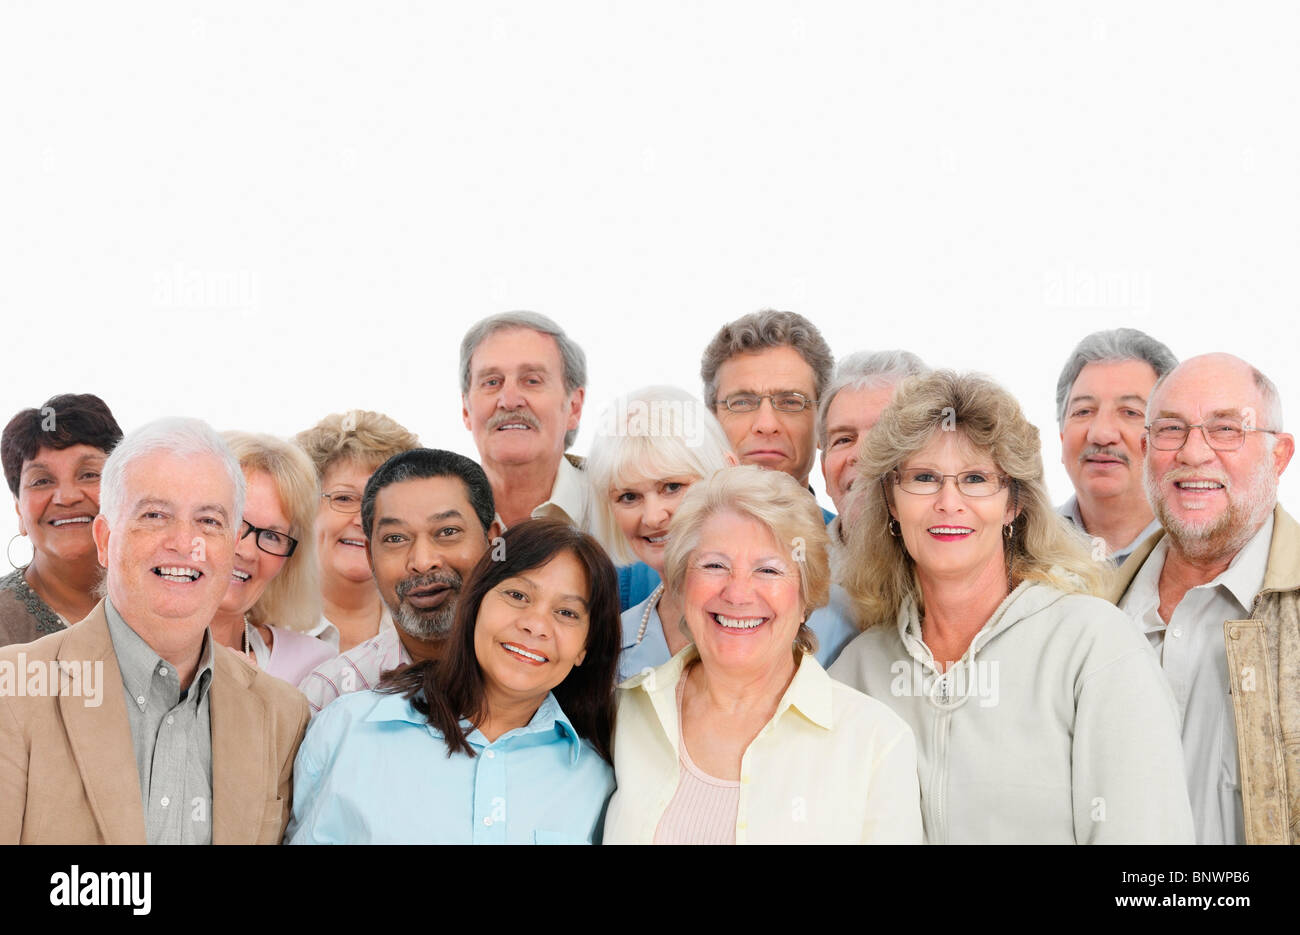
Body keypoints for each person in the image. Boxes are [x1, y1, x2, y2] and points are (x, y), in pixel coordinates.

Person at [829, 371, 1194, 844]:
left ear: (1013, 504)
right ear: (892, 503)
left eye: (976, 479)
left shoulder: (1095, 645)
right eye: (923, 478)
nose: (948, 503)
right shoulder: (857, 672)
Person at [0, 418, 308, 844]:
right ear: (105, 540)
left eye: (209, 521)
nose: (184, 543)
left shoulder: (283, 716)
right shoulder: (12, 690)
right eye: (155, 515)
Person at [603, 465, 922, 844]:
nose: (738, 594)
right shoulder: (624, 712)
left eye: (768, 570)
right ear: (681, 585)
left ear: (806, 597)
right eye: (715, 565)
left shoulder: (876, 742)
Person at [287, 519, 619, 844]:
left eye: (567, 613)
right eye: (517, 595)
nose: (536, 625)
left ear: (585, 648)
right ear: (475, 605)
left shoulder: (598, 779)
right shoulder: (348, 729)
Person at [1107, 353, 1299, 844]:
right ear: (1147, 450)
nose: (1194, 453)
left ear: (1279, 455)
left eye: (1226, 429)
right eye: (1171, 430)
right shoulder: (1090, 611)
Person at [588, 386, 856, 682]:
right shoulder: (605, 648)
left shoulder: (838, 623)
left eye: (672, 487)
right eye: (628, 497)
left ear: (726, 471)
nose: (652, 517)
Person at [300, 448, 495, 714]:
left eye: (447, 531)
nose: (423, 561)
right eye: (395, 538)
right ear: (370, 557)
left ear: (493, 541)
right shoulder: (329, 695)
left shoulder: (542, 665)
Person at [208, 432, 333, 687]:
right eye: (234, 523)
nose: (247, 551)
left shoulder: (313, 668)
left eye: (271, 536)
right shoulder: (114, 651)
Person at [1, 393, 123, 646]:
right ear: (19, 511)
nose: (66, 498)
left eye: (89, 474)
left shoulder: (170, 597)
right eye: (42, 481)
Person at [295, 409, 419, 652]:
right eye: (344, 498)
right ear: (308, 506)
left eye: (382, 503)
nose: (363, 520)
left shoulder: (432, 635)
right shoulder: (256, 628)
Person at [1055, 328, 1178, 564]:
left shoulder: (1203, 552)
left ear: (1171, 435)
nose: (1101, 434)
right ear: (1062, 437)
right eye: (1083, 411)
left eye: (1130, 412)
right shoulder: (1014, 545)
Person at [699, 309, 835, 520]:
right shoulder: (664, 549)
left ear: (824, 425)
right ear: (712, 422)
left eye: (791, 402)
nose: (766, 424)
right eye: (742, 403)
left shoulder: (856, 552)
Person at [460, 311, 590, 531]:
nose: (509, 401)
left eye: (532, 380)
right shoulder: (433, 514)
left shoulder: (626, 511)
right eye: (492, 382)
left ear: (573, 407)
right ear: (466, 410)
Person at [817, 350, 929, 576]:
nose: (862, 454)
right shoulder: (792, 572)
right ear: (823, 471)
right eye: (843, 439)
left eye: (884, 435)